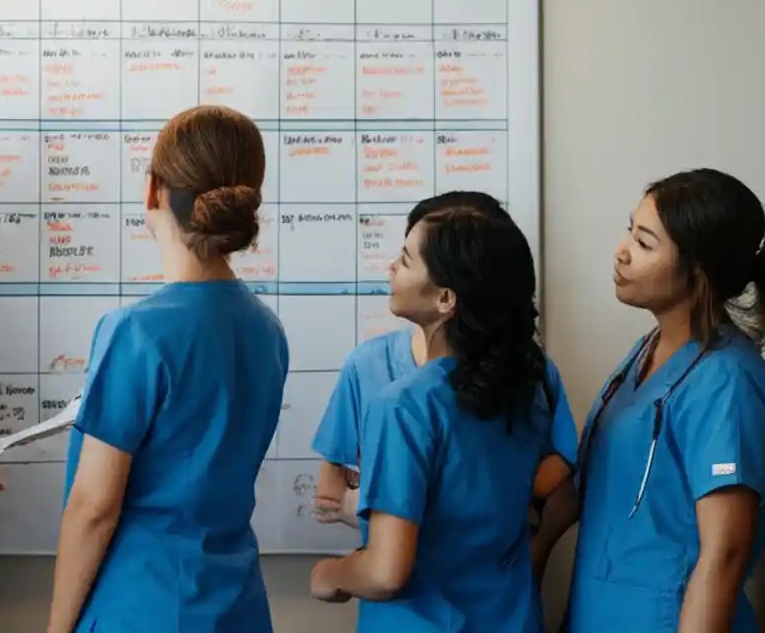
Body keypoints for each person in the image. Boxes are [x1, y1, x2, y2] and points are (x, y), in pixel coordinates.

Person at [48, 105, 289, 633]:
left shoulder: (137, 332)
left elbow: (93, 507)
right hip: (237, 605)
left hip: (144, 604)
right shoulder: (266, 329)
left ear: (152, 190)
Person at [311, 191, 579, 584]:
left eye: (405, 260)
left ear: (446, 296)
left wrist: (329, 573)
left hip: (427, 608)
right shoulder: (380, 372)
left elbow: (386, 573)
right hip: (502, 606)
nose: (390, 267)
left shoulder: (403, 405)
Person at [566, 168, 765, 632]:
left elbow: (727, 553)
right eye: (629, 232)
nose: (621, 252)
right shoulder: (645, 353)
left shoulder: (725, 380)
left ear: (696, 272)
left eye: (644, 243)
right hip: (600, 613)